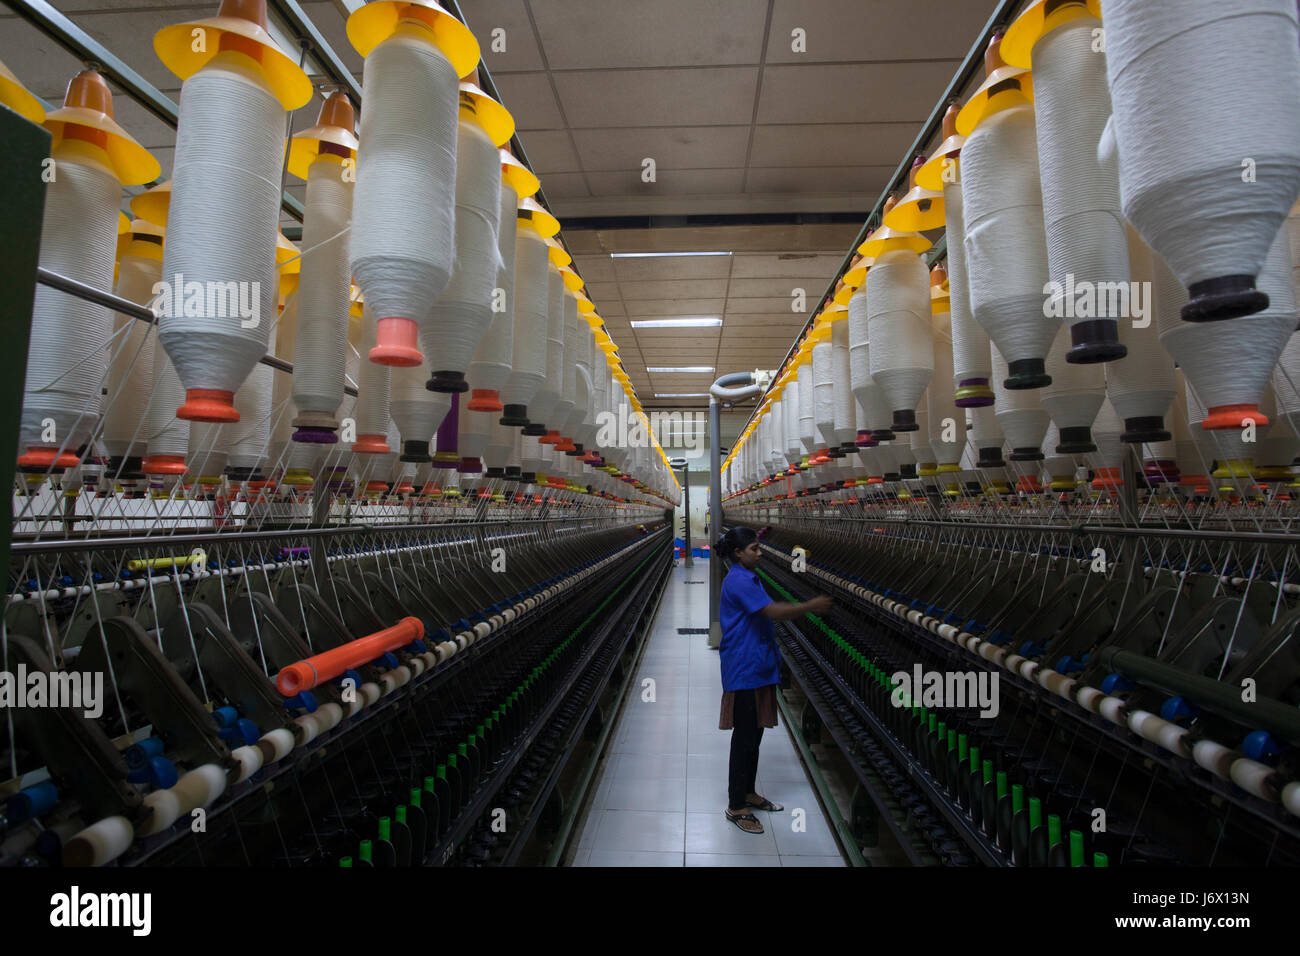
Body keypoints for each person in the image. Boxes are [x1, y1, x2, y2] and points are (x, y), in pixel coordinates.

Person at [715, 526, 832, 834]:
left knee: (754, 735)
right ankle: (736, 805)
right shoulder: (739, 581)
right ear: (739, 553)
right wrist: (810, 607)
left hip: (758, 665)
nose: (760, 552)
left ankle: (748, 792)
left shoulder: (748, 577)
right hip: (745, 668)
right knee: (744, 738)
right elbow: (771, 611)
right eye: (754, 548)